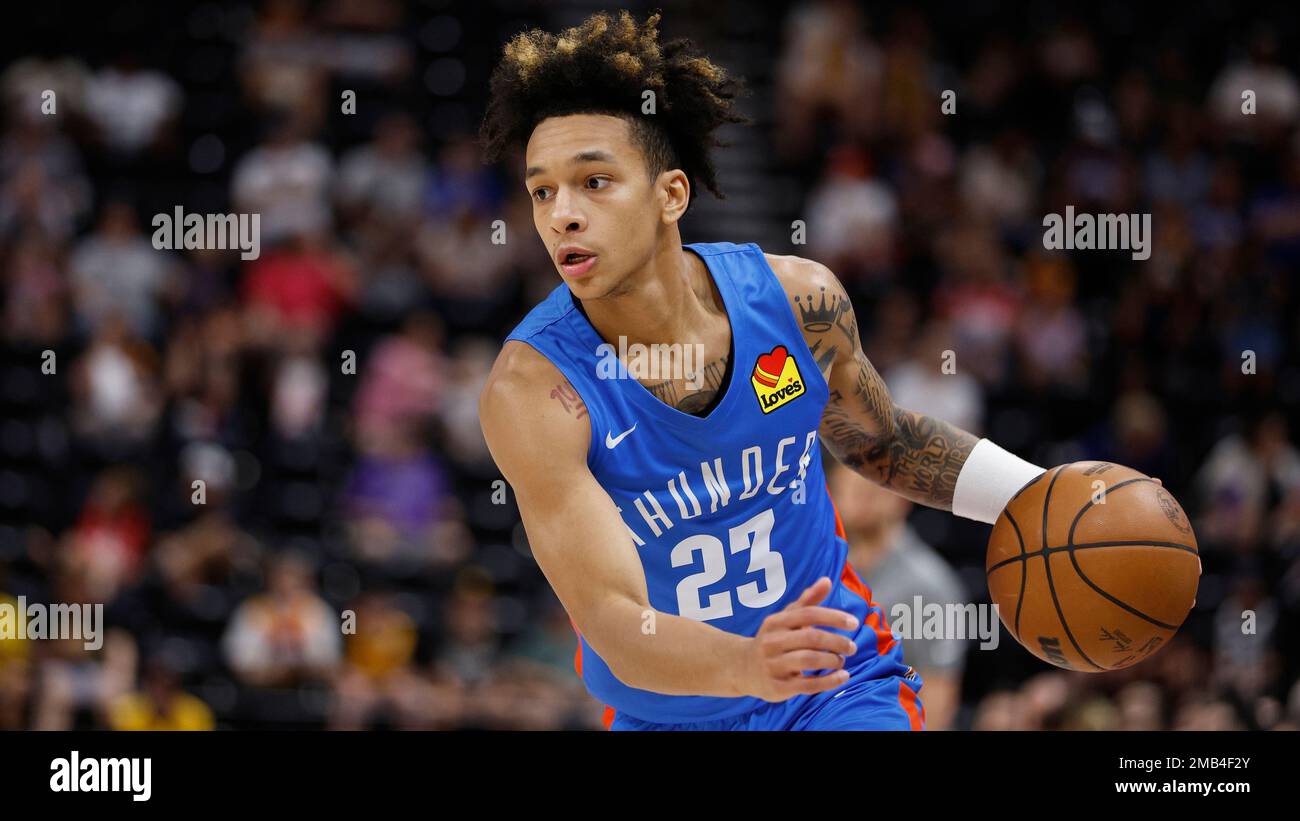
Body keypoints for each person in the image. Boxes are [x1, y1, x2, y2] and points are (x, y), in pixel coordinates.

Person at [477, 11, 1045, 731]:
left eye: (594, 181)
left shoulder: (799, 302)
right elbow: (614, 622)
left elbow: (886, 443)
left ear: (670, 195)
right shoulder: (533, 392)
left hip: (833, 682)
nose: (562, 215)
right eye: (542, 192)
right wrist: (748, 665)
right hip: (670, 712)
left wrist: (1036, 492)